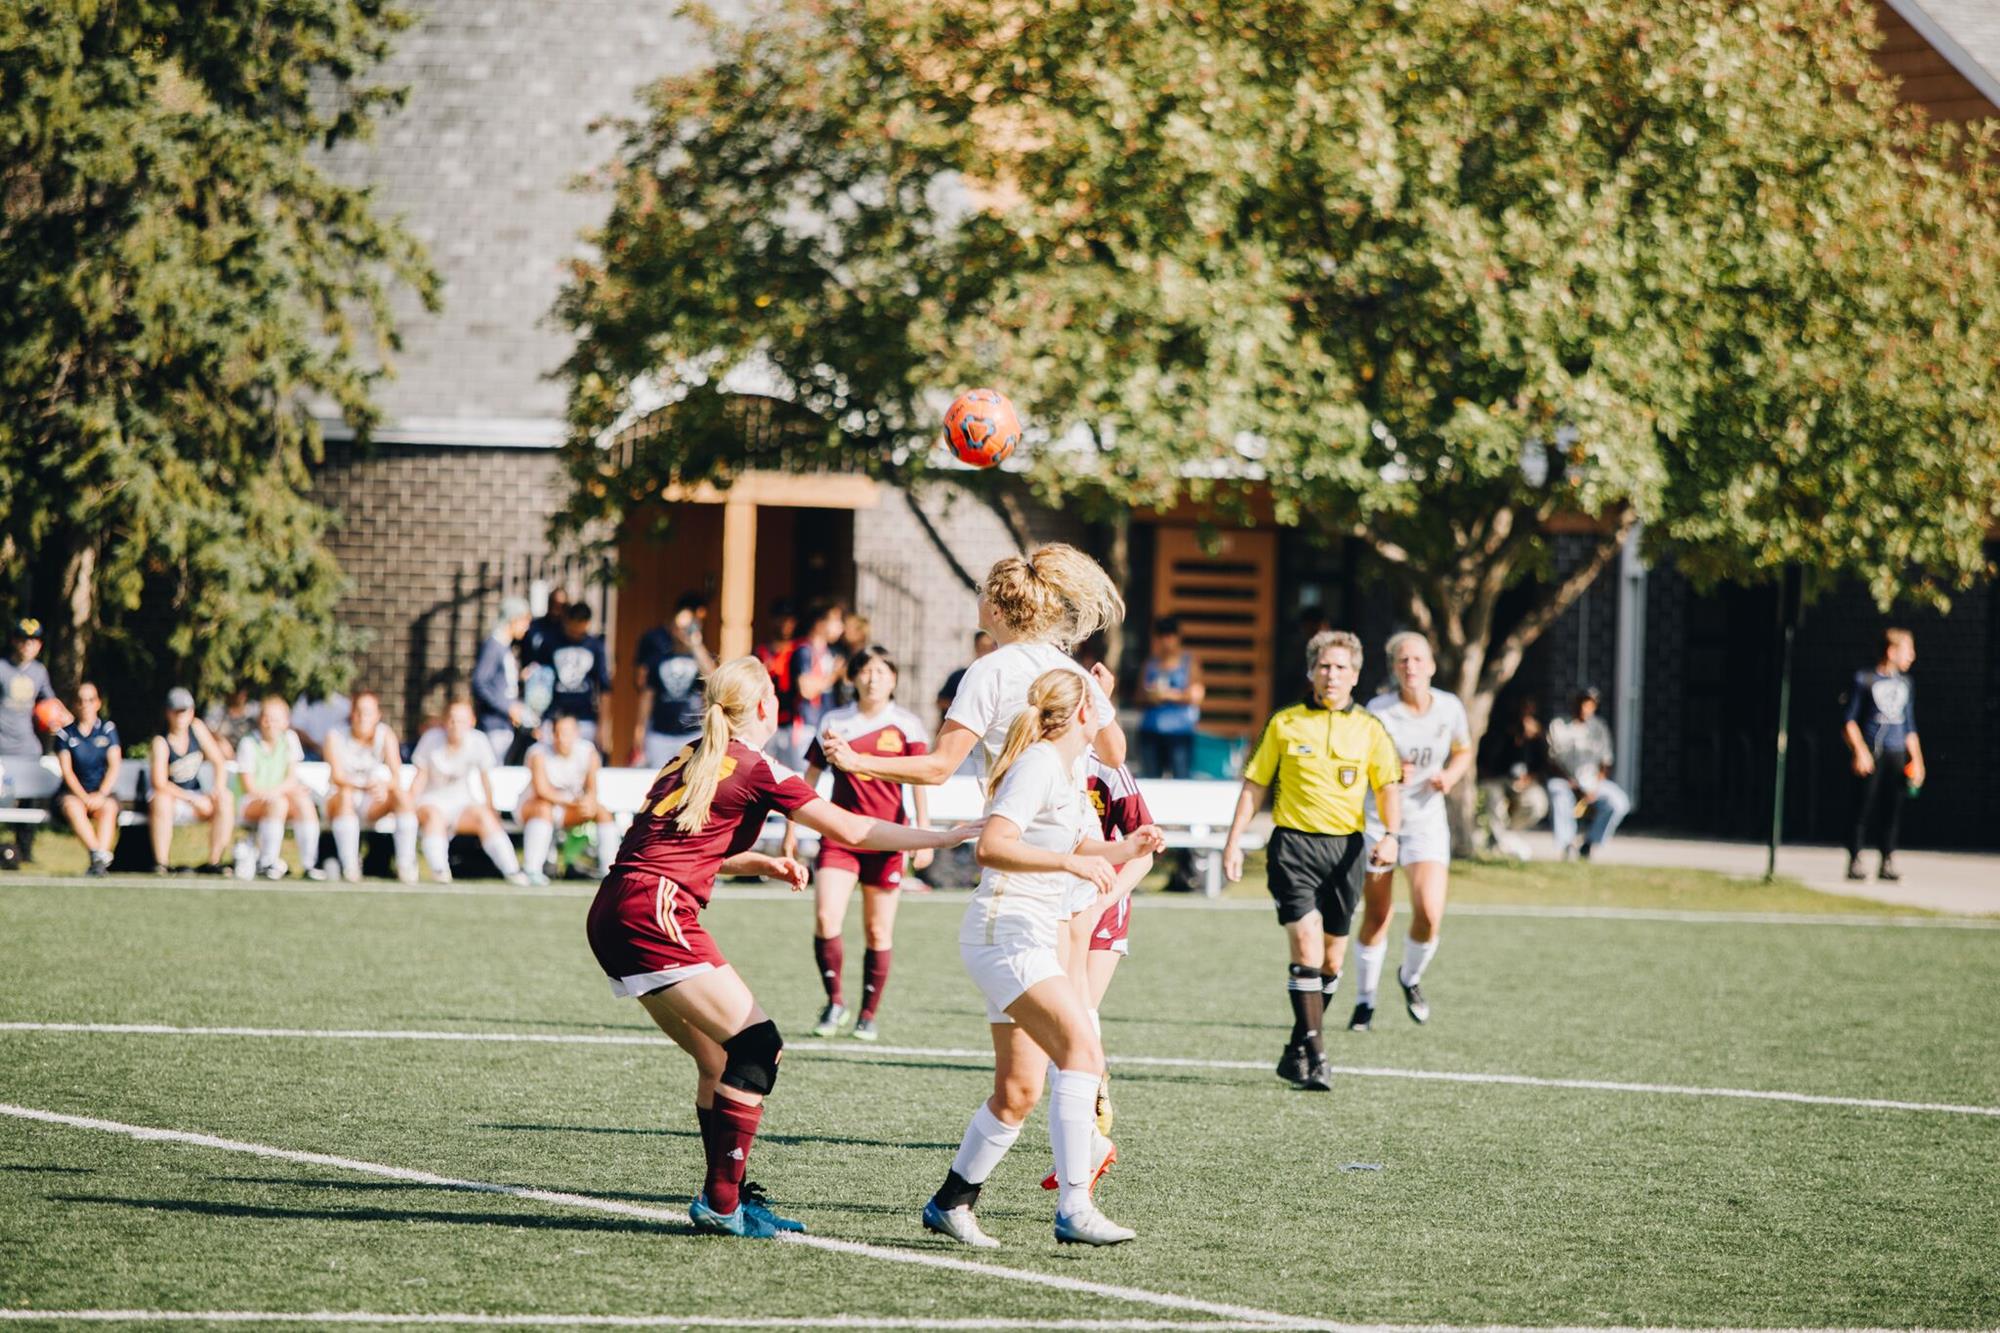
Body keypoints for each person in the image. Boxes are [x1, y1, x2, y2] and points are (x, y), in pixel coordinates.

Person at [584, 656, 978, 1239]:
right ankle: (722, 1203)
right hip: (654, 908)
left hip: (615, 907)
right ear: (767, 707)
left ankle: (727, 1195)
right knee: (759, 1045)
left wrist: (759, 862)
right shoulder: (756, 763)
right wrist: (942, 836)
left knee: (720, 1059)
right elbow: (849, 829)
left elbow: (672, 843)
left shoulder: (688, 754)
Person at [921, 669, 1163, 1250]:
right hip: (1007, 932)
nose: (1108, 716)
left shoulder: (1069, 768)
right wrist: (1073, 867)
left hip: (1021, 934)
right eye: (1100, 705)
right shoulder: (1037, 765)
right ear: (1083, 713)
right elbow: (992, 846)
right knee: (1083, 1049)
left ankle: (950, 1202)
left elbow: (1076, 844)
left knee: (1019, 1091)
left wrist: (1125, 848)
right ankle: (1075, 1208)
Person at [1222, 630, 1401, 1092]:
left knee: (1332, 959)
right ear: (1310, 672)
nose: (1332, 674)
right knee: (1306, 948)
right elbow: (1255, 784)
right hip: (1293, 847)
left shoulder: (1371, 729)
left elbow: (1387, 787)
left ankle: (1296, 1045)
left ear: (1356, 676)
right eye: (1324, 666)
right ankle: (1319, 1057)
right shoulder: (1284, 723)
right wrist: (1234, 840)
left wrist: (1393, 836)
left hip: (1346, 851)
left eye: (1341, 667)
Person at [819, 544, 1129, 786]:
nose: (978, 598)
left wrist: (857, 761)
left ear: (996, 611)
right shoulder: (1072, 670)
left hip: (1018, 839)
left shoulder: (989, 671)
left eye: (982, 592)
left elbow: (939, 768)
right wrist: (1099, 697)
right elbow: (1114, 756)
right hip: (1075, 840)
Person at [780, 646, 933, 1042]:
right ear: (853, 678)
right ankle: (835, 1003)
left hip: (889, 838)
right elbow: (809, 777)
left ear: (894, 678)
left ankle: (868, 1013)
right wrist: (792, 826)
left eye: (882, 671)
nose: (873, 678)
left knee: (878, 931)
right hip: (840, 836)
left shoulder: (907, 725)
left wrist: (924, 834)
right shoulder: (835, 721)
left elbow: (919, 780)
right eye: (865, 671)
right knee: (826, 918)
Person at [1034, 754, 1153, 1196]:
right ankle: (1086, 1132)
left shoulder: (1108, 769)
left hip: (1098, 904)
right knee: (1061, 1023)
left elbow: (1145, 853)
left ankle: (1086, 1133)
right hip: (1049, 901)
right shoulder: (1037, 758)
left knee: (1073, 1017)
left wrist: (1103, 903)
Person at [1350, 632, 1473, 1030]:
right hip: (1380, 821)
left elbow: (1463, 749)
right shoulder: (1379, 711)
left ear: (1432, 665)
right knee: (1378, 915)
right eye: (1403, 661)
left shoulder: (1449, 707)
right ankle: (1365, 1001)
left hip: (1425, 821)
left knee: (1429, 912)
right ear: (1394, 668)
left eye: (1418, 659)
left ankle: (1410, 977)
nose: (1411, 667)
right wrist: (1386, 771)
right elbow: (1358, 761)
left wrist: (1449, 776)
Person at [411, 697, 526, 885]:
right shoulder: (430, 739)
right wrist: (409, 805)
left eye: (461, 720)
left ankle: (512, 870)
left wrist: (490, 808)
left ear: (472, 721)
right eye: (452, 719)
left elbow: (485, 780)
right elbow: (420, 777)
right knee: (434, 818)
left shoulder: (478, 740)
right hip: (431, 802)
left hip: (462, 804)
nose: (456, 725)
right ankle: (439, 871)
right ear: (444, 720)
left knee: (485, 818)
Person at [1842, 628, 1925, 882]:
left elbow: (1909, 725)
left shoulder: (1905, 684)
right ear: (1891, 651)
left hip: (1896, 752)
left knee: (1892, 808)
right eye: (1907, 650)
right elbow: (1849, 721)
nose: (1912, 656)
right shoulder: (1865, 679)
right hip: (1873, 752)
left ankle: (1887, 859)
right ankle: (1855, 858)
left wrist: (1917, 760)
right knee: (1862, 806)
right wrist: (1860, 752)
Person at [325, 690, 418, 883]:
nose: (362, 717)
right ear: (352, 714)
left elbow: (396, 776)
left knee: (402, 796)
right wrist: (363, 784)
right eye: (358, 711)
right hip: (340, 801)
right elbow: (337, 777)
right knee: (346, 794)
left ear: (377, 715)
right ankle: (350, 866)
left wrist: (384, 785)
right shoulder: (335, 735)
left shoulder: (386, 735)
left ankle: (406, 865)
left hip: (371, 803)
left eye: (367, 712)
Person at [521, 713, 616, 886]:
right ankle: (532, 869)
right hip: (533, 808)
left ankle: (610, 870)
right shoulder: (538, 752)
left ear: (577, 733)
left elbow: (592, 789)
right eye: (557, 733)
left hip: (566, 810)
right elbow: (542, 791)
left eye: (567, 733)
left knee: (602, 812)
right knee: (543, 808)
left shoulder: (589, 752)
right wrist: (574, 802)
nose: (562, 738)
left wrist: (589, 802)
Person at [148, 687, 235, 874]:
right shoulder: (161, 742)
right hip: (172, 798)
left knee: (225, 798)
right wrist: (191, 799)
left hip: (194, 796)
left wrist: (217, 788)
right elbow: (160, 783)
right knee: (161, 800)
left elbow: (219, 761)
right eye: (176, 711)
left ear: (192, 711)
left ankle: (215, 861)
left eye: (184, 710)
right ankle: (161, 863)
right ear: (168, 713)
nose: (181, 715)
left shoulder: (197, 729)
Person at [236, 696, 323, 880]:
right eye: (266, 718)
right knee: (279, 804)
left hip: (278, 798)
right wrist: (274, 795)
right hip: (251, 803)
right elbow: (249, 787)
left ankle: (309, 864)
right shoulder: (248, 743)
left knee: (303, 802)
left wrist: (278, 794)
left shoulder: (290, 739)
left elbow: (291, 779)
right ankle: (267, 862)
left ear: (286, 721)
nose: (270, 723)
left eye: (276, 719)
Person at [1545, 687, 1630, 859]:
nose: (1584, 708)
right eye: (1581, 703)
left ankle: (1591, 842)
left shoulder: (1599, 728)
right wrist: (1572, 783)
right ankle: (1567, 843)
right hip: (1566, 780)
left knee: (1619, 802)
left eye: (1589, 704)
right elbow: (1551, 760)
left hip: (1592, 782)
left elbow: (1606, 762)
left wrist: (1595, 786)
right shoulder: (1559, 725)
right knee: (1557, 792)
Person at [633, 592, 715, 768]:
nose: (682, 632)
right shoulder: (658, 659)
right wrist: (640, 729)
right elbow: (647, 695)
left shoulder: (701, 658)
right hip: (660, 734)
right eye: (679, 627)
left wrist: (696, 644)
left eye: (688, 627)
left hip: (691, 733)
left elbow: (713, 679)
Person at [1, 618, 56, 862]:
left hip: (28, 748)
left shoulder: (39, 672)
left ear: (39, 645)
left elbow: (49, 704)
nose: (27, 645)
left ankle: (25, 850)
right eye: (23, 639)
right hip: (2, 747)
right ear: (14, 641)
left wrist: (59, 718)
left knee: (29, 800)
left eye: (33, 641)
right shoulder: (2, 668)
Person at [55, 682, 122, 876]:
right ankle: (97, 854)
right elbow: (67, 771)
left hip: (101, 791)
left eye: (90, 700)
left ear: (98, 703)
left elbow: (114, 766)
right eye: (81, 700)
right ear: (75, 705)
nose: (85, 705)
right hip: (74, 792)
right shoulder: (65, 734)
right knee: (73, 806)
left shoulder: (107, 730)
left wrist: (101, 794)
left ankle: (99, 863)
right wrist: (84, 797)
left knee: (108, 807)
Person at [1476, 697, 1551, 860]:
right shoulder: (1499, 731)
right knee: (1492, 796)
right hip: (1499, 779)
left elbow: (1543, 766)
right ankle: (1499, 839)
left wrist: (1529, 778)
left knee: (1537, 803)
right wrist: (1512, 736)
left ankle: (1505, 835)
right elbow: (1486, 762)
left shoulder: (1537, 736)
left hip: (1524, 783)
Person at [777, 600, 844, 768]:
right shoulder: (804, 651)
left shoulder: (830, 653)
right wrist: (833, 676)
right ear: (819, 623)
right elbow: (806, 690)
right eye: (835, 620)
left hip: (823, 726)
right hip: (804, 727)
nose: (840, 626)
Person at [1136, 617, 1204, 779]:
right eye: (1162, 636)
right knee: (1150, 780)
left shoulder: (1189, 662)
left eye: (1169, 636)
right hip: (1151, 731)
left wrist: (1169, 695)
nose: (1166, 641)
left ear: (1177, 637)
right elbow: (1138, 697)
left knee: (1181, 780)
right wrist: (1150, 696)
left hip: (1179, 732)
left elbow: (1197, 695)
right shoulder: (1150, 664)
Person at [543, 603, 612, 753]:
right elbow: (541, 679)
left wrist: (603, 726)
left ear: (587, 624)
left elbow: (604, 688)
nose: (575, 635)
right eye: (572, 630)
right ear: (567, 621)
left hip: (585, 717)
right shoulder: (551, 643)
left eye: (579, 631)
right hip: (555, 713)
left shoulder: (595, 646)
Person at [473, 597, 534, 763]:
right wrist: (508, 707)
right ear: (514, 619)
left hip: (503, 725)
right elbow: (480, 683)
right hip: (494, 724)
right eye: (525, 621)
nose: (527, 627)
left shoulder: (504, 647)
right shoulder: (494, 646)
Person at [936, 629, 997, 728]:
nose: (987, 651)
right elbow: (941, 701)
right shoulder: (960, 675)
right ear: (976, 648)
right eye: (983, 647)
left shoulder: (997, 678)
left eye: (990, 648)